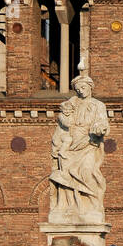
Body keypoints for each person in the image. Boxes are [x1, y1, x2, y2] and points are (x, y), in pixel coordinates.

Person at [49, 72, 109, 225]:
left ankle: (92, 206)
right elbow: (63, 124)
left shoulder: (98, 105)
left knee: (87, 171)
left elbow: (103, 123)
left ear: (90, 88)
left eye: (83, 87)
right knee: (66, 175)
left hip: (88, 143)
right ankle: (70, 206)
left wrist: (99, 128)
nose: (81, 90)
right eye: (78, 88)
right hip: (71, 143)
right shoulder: (71, 104)